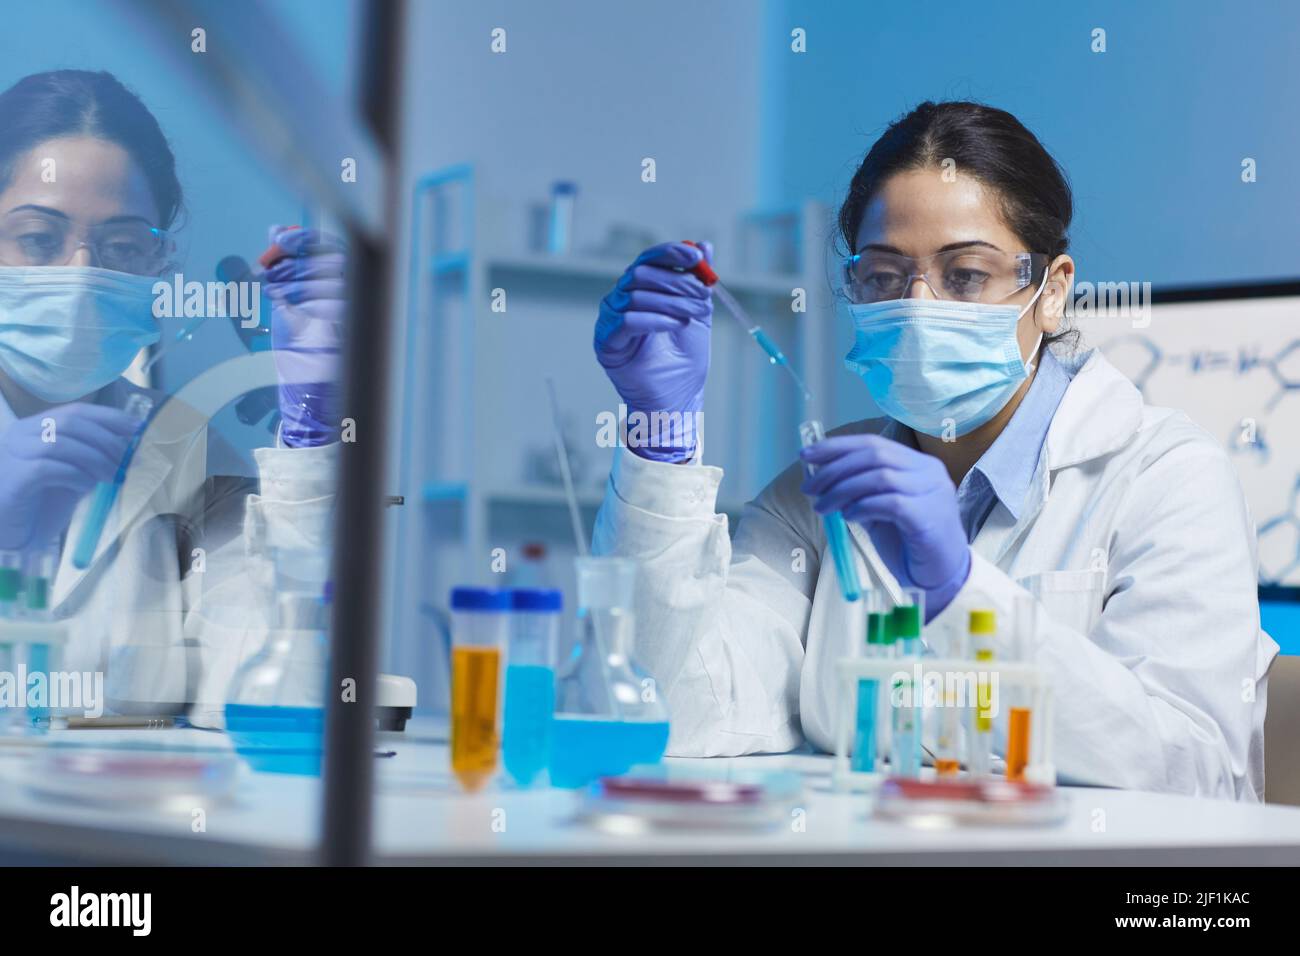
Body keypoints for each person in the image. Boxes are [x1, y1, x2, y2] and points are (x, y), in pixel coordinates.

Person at [591, 101, 1276, 800]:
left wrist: (958, 590)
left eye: (966, 275)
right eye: (885, 277)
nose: (918, 306)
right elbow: (673, 704)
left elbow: (1190, 771)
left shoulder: (1168, 479)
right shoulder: (822, 492)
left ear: (1053, 291)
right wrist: (661, 428)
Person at [0, 69, 344, 721]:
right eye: (40, 239)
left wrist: (309, 426)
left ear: (158, 266)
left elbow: (269, 701)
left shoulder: (186, 449)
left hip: (121, 821)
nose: (83, 276)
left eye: (123, 247)